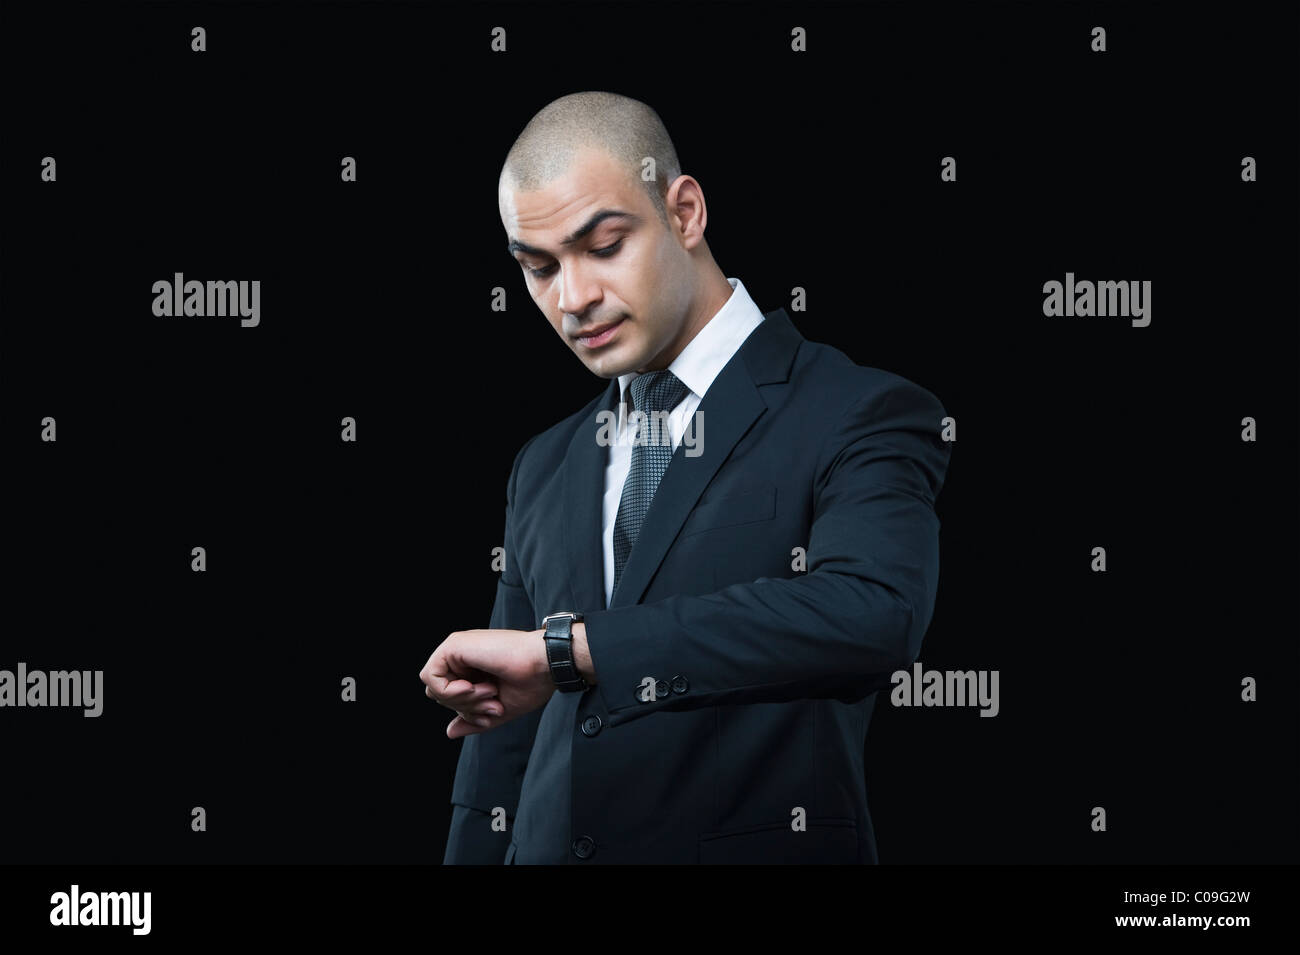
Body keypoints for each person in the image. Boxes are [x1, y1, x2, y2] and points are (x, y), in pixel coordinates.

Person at [420, 91, 952, 864]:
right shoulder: (544, 462)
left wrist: (580, 650)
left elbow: (873, 615)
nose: (573, 299)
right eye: (539, 268)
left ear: (686, 212)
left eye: (603, 245)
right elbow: (500, 747)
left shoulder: (857, 409)